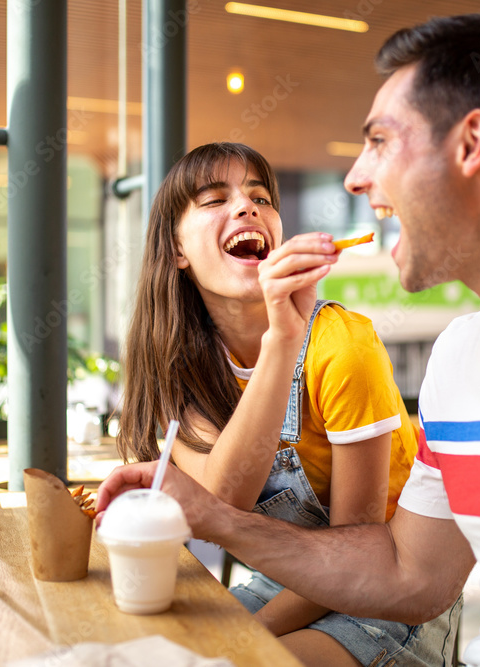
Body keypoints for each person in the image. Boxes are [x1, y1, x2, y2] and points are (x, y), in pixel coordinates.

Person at [100, 13, 480, 667]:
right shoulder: (458, 361)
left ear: (470, 143)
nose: (354, 178)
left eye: (378, 140)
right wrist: (217, 517)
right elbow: (411, 573)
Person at [113, 141, 461, 667]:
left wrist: (243, 637)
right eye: (213, 200)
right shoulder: (183, 364)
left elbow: (355, 557)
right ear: (177, 250)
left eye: (260, 196)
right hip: (281, 584)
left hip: (386, 597)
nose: (247, 207)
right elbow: (222, 498)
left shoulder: (343, 345)